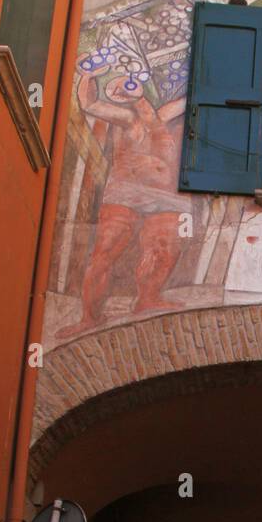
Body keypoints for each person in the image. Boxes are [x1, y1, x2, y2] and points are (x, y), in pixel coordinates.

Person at [57, 64, 187, 338]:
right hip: (125, 191)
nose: (123, 89)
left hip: (164, 196)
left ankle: (147, 299)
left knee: (164, 249)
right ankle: (90, 317)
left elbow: (193, 98)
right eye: (117, 88)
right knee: (105, 251)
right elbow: (89, 102)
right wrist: (89, 74)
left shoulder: (163, 116)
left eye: (128, 85)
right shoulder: (126, 119)